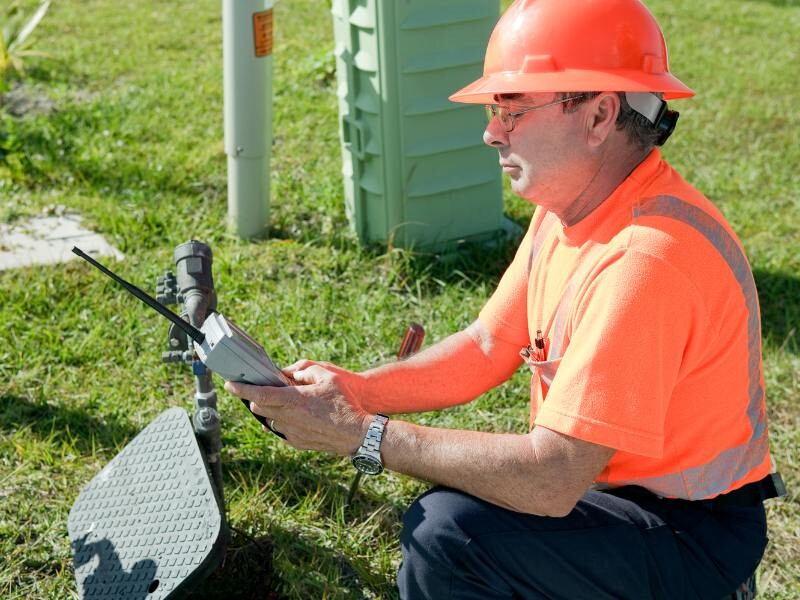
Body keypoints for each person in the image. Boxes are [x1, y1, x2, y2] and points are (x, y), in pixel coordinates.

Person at [225, 0, 784, 597]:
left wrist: (363, 436)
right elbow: (487, 344)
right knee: (452, 523)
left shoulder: (645, 260)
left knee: (449, 537)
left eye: (512, 109)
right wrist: (357, 392)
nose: (492, 131)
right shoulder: (572, 209)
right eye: (496, 109)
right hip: (619, 501)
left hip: (687, 536)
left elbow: (551, 478)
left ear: (599, 115)